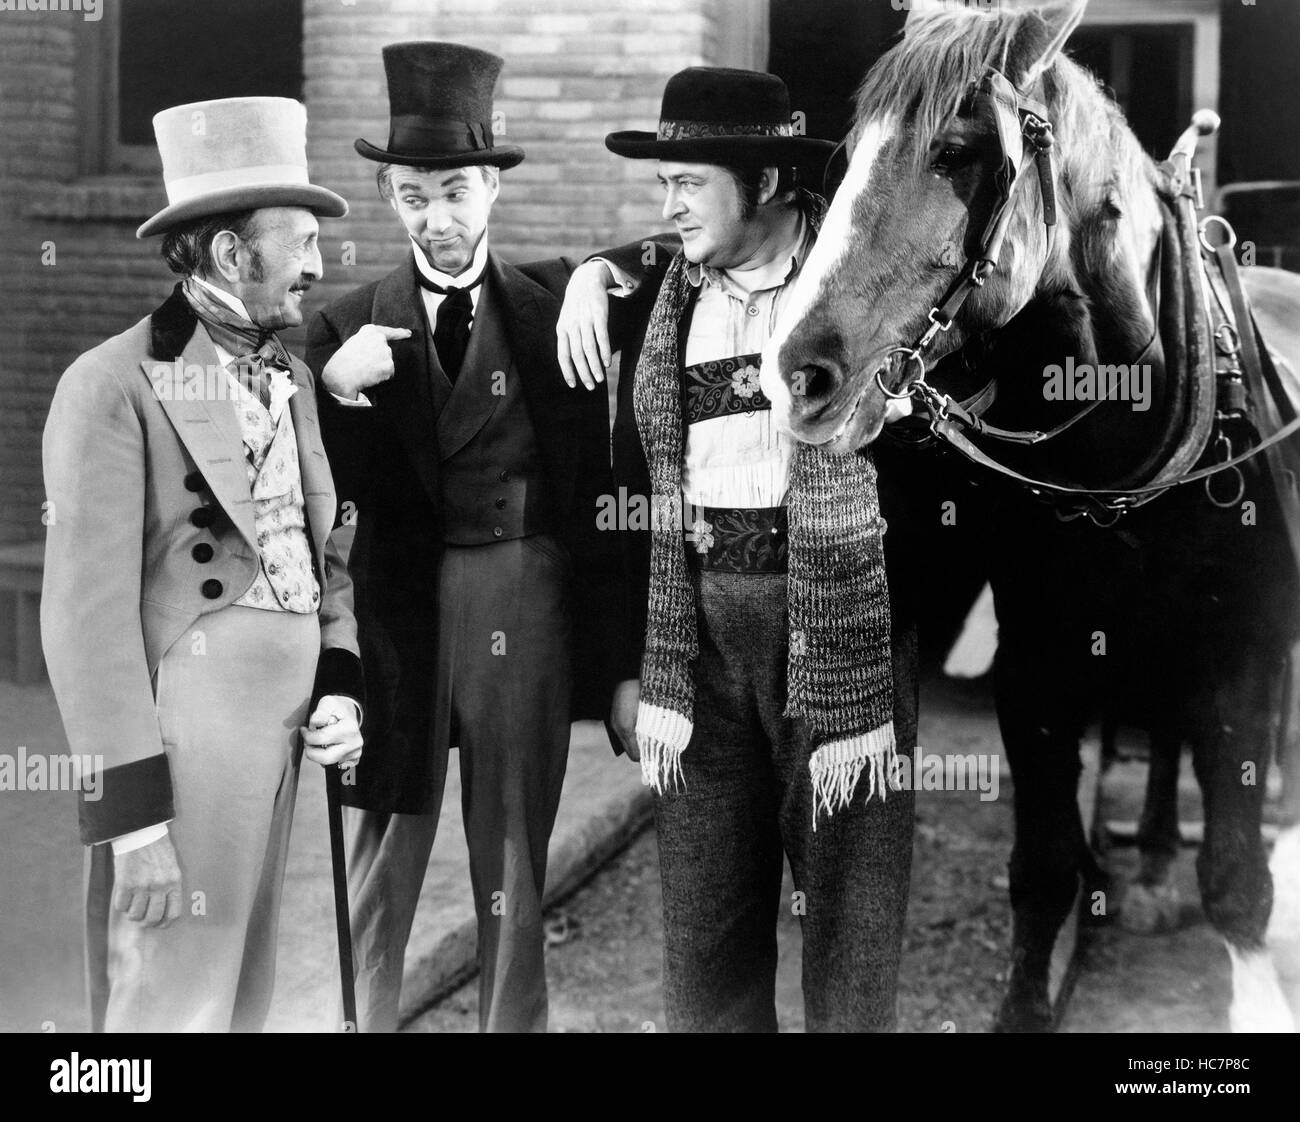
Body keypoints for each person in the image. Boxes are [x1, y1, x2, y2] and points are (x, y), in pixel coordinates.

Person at [558, 67, 920, 1032]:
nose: (668, 206)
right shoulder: (650, 296)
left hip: (839, 647)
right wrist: (591, 271)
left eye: (688, 181)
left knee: (850, 934)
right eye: (661, 185)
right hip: (698, 654)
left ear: (762, 182)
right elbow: (614, 498)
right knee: (707, 934)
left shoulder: (863, 287)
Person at [306, 41, 644, 1033]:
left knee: (510, 861)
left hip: (522, 599)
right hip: (393, 611)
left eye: (455, 191)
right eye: (412, 197)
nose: (437, 219)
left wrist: (621, 666)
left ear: (490, 188)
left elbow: (606, 500)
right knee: (377, 856)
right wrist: (332, 392)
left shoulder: (553, 310)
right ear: (387, 197)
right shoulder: (339, 328)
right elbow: (308, 498)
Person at [41, 96, 365, 1033]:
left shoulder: (293, 376)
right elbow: (83, 619)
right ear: (231, 254)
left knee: (245, 988)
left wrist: (338, 684)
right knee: (172, 995)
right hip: (188, 729)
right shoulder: (108, 383)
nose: (318, 264)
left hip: (286, 724)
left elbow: (321, 551)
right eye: (299, 241)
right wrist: (134, 821)